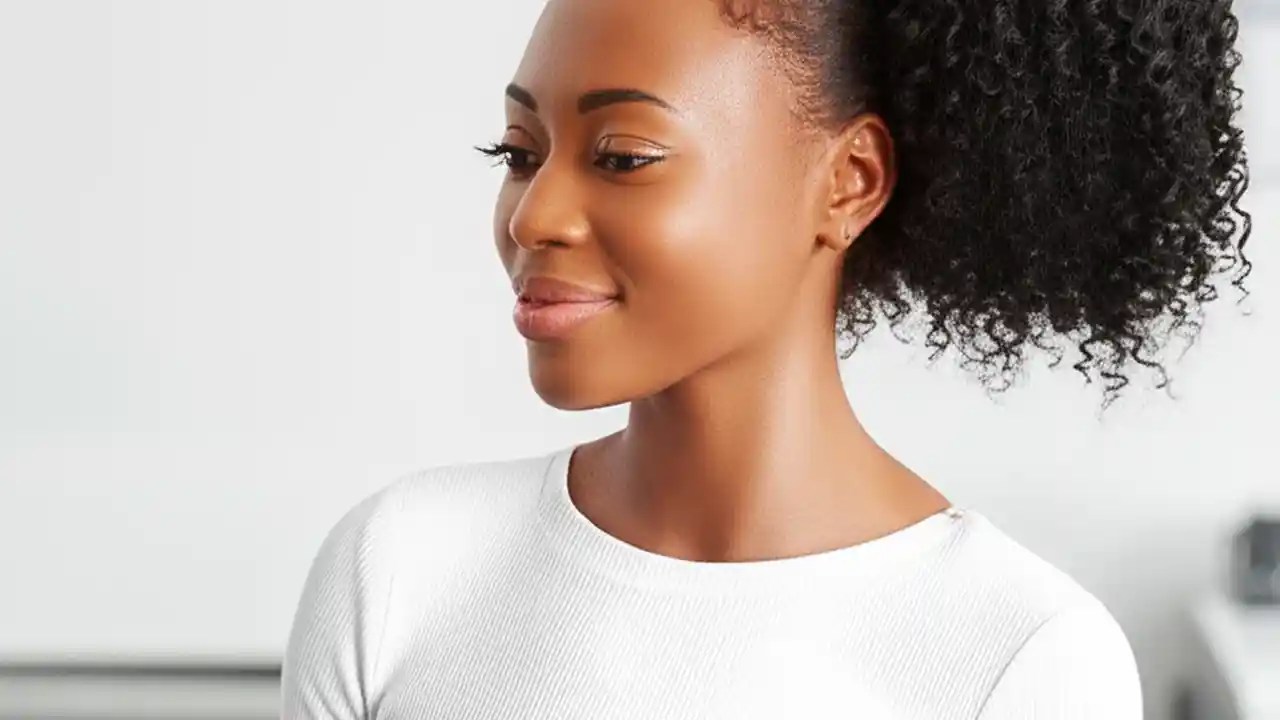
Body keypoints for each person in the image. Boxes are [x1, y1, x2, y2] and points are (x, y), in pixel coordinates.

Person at [280, 0, 1253, 717]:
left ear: (847, 182)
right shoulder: (398, 570)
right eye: (519, 151)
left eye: (622, 155)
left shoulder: (1019, 658)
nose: (533, 214)